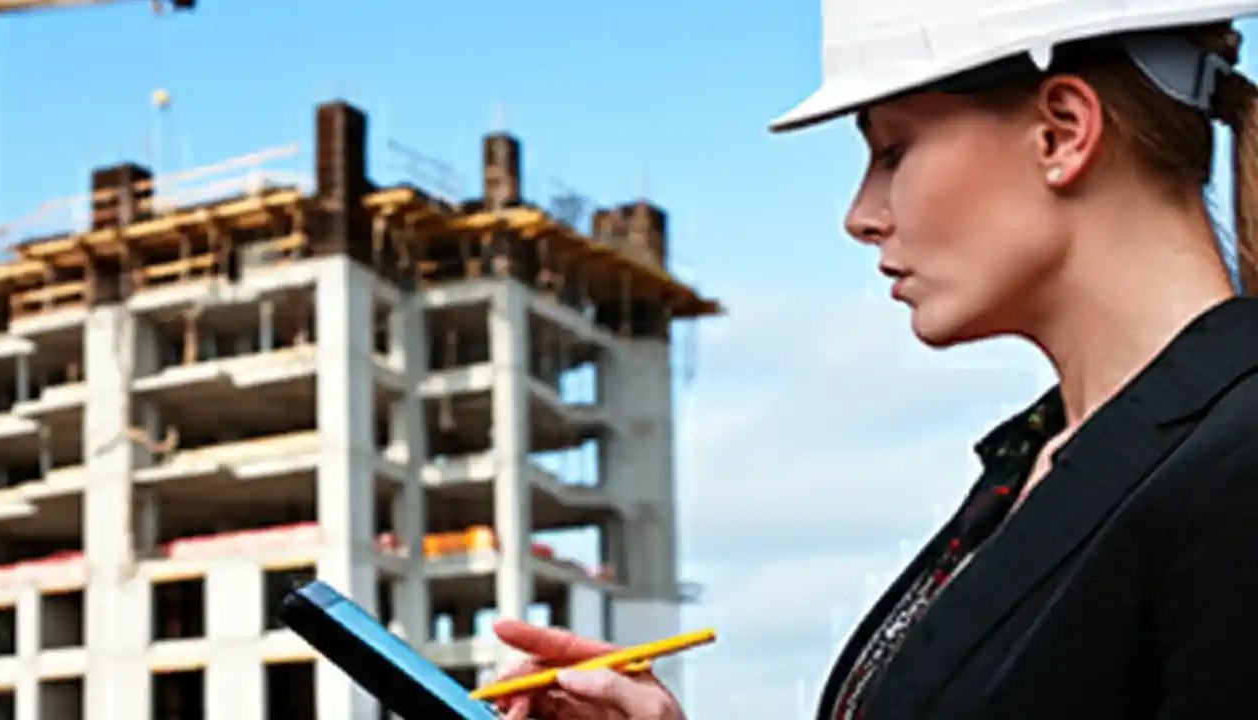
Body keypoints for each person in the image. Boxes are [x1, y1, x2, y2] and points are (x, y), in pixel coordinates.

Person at [479, 2, 1258, 718]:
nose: (861, 215)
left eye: (893, 150)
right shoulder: (1037, 468)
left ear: (1061, 131)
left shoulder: (1238, 464)